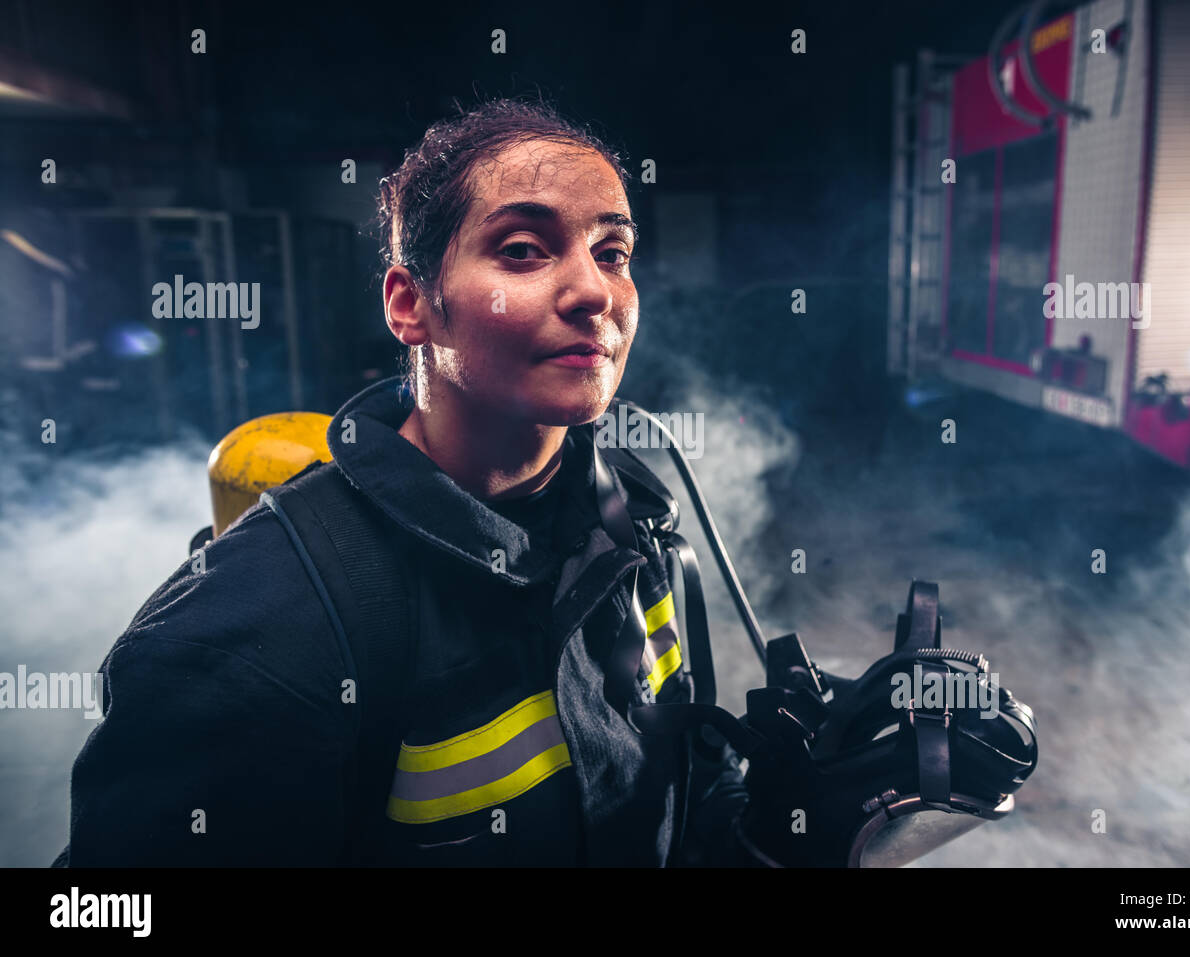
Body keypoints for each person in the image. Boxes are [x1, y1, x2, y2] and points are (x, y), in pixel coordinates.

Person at [54, 98, 752, 867]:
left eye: (612, 251)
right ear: (412, 304)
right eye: (523, 249)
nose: (595, 292)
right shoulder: (258, 630)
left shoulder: (624, 520)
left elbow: (676, 792)